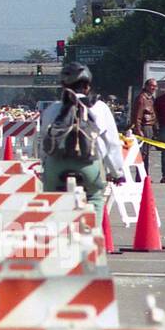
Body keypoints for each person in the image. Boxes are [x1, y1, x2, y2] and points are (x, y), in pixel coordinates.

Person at [38, 62, 125, 219]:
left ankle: (55, 234)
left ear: (63, 86)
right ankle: (93, 235)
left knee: (51, 200)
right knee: (95, 199)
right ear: (88, 87)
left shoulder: (52, 109)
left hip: (56, 166)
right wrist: (117, 173)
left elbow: (44, 142)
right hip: (89, 166)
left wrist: (45, 165)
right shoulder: (100, 108)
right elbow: (112, 144)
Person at [130, 78, 158, 179]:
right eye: (151, 86)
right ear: (146, 86)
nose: (153, 88)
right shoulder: (142, 98)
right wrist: (138, 130)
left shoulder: (150, 98)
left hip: (150, 127)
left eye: (155, 86)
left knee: (147, 153)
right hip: (144, 127)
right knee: (143, 153)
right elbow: (137, 116)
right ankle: (141, 176)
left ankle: (145, 175)